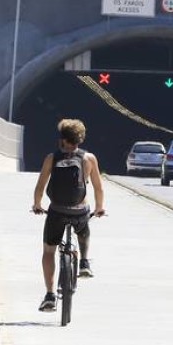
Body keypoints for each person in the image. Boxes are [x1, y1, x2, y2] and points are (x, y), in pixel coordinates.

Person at [31, 118, 105, 312]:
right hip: (79, 211)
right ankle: (84, 262)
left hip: (57, 212)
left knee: (49, 251)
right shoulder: (89, 159)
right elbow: (98, 188)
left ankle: (50, 294)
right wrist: (100, 208)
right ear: (80, 140)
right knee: (84, 228)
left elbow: (40, 187)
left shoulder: (51, 158)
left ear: (62, 140)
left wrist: (37, 205)